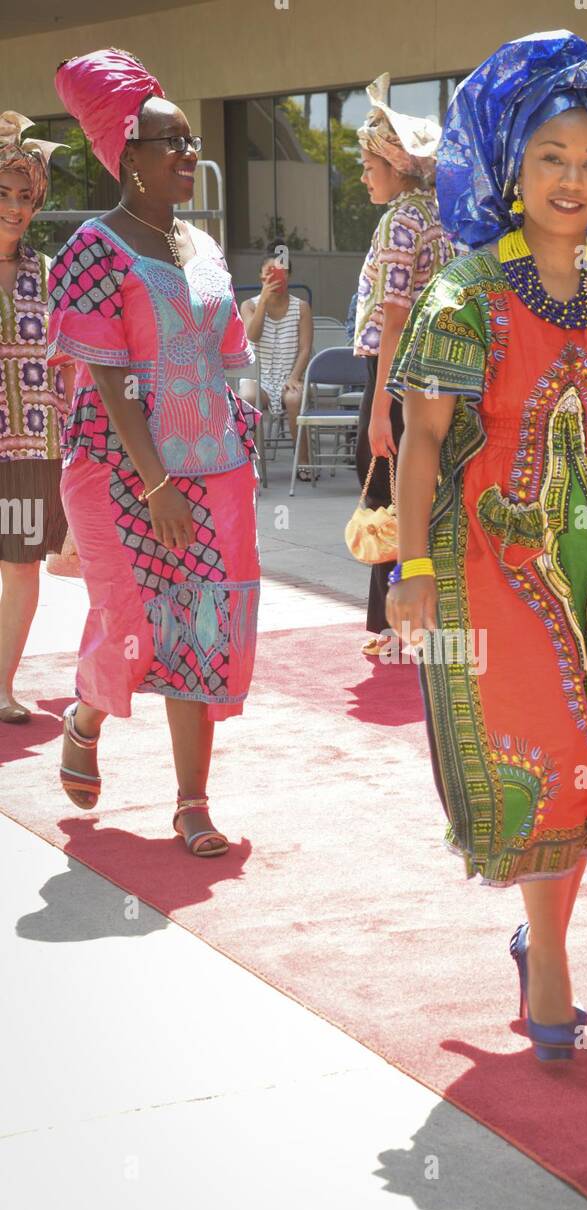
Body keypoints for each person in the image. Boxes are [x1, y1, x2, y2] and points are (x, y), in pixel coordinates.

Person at [385, 31, 587, 1060]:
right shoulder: (462, 297)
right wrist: (414, 568)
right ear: (511, 171)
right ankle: (555, 968)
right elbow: (423, 438)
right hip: (489, 579)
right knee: (532, 752)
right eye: (549, 160)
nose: (571, 181)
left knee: (586, 761)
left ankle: (541, 943)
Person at [48, 48, 261, 857]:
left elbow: (229, 358)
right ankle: (86, 714)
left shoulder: (203, 251)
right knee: (133, 623)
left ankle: (191, 803)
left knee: (200, 626)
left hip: (214, 472)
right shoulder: (94, 250)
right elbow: (106, 379)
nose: (187, 157)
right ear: (126, 156)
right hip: (119, 475)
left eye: (191, 143)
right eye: (170, 143)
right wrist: (157, 482)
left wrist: (235, 450)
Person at [353, 72, 455, 658]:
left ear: (395, 165)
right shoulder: (442, 216)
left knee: (386, 502)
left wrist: (379, 408)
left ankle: (394, 628)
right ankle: (423, 621)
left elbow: (393, 317)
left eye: (370, 165)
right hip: (438, 373)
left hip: (395, 374)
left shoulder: (400, 221)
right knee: (427, 497)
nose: (366, 176)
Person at [0, 112, 70, 724]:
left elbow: (70, 360)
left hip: (31, 448)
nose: (16, 208)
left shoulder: (47, 273)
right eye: (4, 193)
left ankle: (2, 686)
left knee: (20, 564)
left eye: (26, 196)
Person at [239, 242, 313, 479]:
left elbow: (305, 349)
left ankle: (303, 463)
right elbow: (252, 335)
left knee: (294, 398)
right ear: (261, 276)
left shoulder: (301, 307)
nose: (274, 277)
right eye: (269, 273)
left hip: (290, 373)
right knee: (248, 398)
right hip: (257, 376)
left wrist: (294, 376)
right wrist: (263, 302)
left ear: (288, 275)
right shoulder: (249, 305)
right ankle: (254, 467)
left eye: (280, 272)